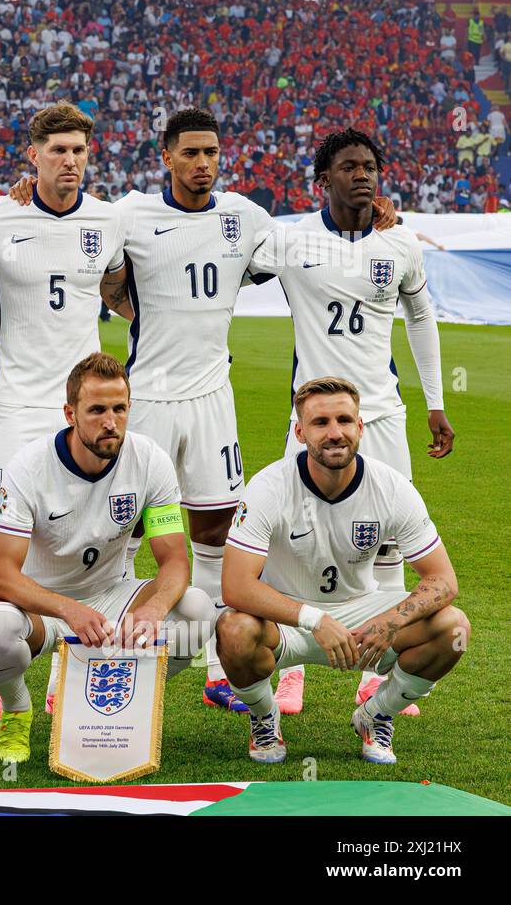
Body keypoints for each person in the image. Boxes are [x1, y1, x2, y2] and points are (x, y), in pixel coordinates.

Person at [100, 108, 394, 712]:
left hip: (214, 399)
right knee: (126, 528)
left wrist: (374, 219)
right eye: (191, 153)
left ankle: (215, 670)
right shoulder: (131, 214)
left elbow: (305, 246)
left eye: (212, 153)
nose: (203, 164)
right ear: (167, 157)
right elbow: (106, 281)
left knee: (213, 531)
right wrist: (142, 312)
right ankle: (103, 660)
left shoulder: (245, 216)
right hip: (150, 396)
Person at [250, 128, 454, 715]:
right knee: (292, 539)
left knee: (389, 541)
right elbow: (227, 265)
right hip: (312, 419)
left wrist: (436, 402)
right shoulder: (290, 242)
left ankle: (377, 669)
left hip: (382, 414)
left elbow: (422, 317)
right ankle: (293, 667)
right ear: (324, 179)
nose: (362, 174)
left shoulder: (401, 244)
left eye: (370, 166)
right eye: (349, 166)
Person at [0, 101, 127, 731]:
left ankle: (70, 671)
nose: (70, 161)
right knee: (4, 536)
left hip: (86, 408)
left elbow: (119, 291)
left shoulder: (109, 222)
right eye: (57, 150)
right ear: (32, 156)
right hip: (19, 405)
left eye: (80, 151)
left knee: (93, 530)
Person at [218, 378, 469, 764]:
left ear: (360, 427)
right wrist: (314, 618)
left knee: (453, 628)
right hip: (287, 618)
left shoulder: (392, 487)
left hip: (361, 615)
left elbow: (443, 580)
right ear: (300, 432)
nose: (335, 433)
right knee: (234, 629)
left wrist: (389, 620)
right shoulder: (269, 486)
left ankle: (376, 714)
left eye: (344, 420)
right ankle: (264, 717)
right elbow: (235, 586)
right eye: (320, 423)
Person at [0, 352, 211, 762]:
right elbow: (0, 576)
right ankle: (16, 710)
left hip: (108, 596)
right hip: (36, 602)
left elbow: (174, 559)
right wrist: (68, 610)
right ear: (70, 413)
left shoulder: (149, 460)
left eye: (120, 409)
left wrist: (156, 607)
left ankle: (113, 701)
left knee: (196, 609)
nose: (111, 422)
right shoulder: (29, 467)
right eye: (97, 410)